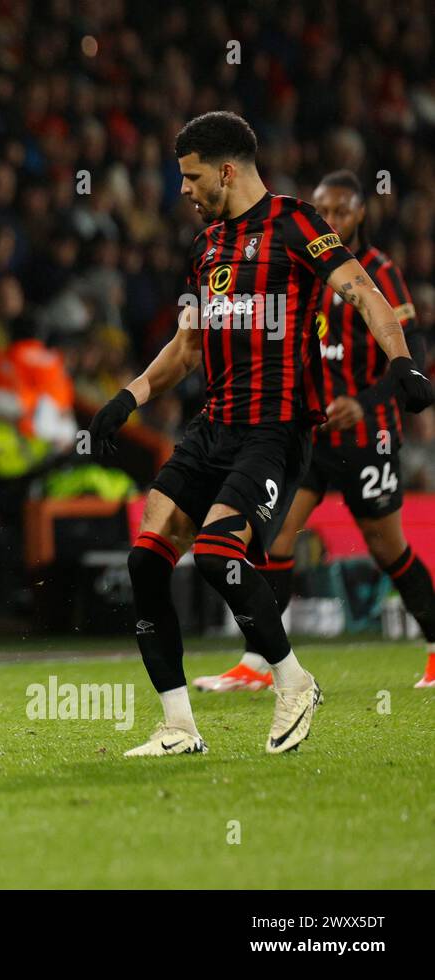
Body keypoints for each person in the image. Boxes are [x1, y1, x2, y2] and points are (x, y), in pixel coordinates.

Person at [88, 112, 434, 756]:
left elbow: (361, 291)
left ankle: (293, 681)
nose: (184, 190)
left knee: (220, 555)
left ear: (225, 170)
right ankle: (178, 727)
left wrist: (401, 360)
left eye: (192, 177)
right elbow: (187, 346)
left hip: (273, 434)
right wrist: (128, 396)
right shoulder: (207, 247)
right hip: (211, 427)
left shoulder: (296, 223)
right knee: (145, 560)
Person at [195, 170, 435, 691]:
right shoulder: (304, 265)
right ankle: (259, 663)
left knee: (386, 547)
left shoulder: (376, 271)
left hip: (368, 434)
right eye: (325, 208)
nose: (334, 217)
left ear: (361, 214)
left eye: (343, 209)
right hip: (312, 434)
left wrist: (365, 400)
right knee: (277, 538)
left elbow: (413, 349)